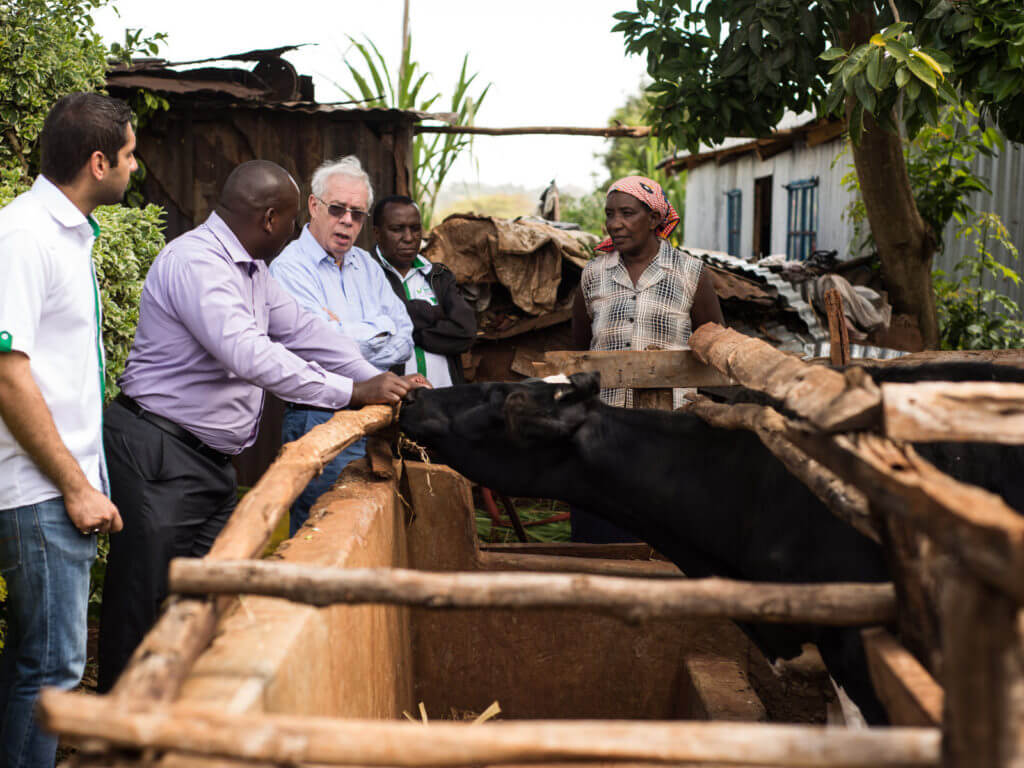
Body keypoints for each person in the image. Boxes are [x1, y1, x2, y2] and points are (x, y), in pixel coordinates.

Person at [97, 160, 426, 692]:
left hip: (206, 461)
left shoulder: (252, 270)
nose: (295, 232)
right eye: (293, 220)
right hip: (159, 451)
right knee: (144, 602)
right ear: (271, 219)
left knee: (208, 603)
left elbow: (304, 331)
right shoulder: (197, 262)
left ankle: (182, 717)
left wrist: (371, 377)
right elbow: (249, 354)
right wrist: (349, 392)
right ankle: (117, 722)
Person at [0, 92, 134, 768]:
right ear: (98, 162)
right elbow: (6, 373)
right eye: (130, 155)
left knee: (40, 662)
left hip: (57, 485)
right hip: (39, 489)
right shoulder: (25, 235)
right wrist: (76, 487)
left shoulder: (67, 232)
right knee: (51, 668)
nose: (135, 167)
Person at [570, 175, 724, 543]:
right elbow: (579, 352)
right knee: (603, 533)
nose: (616, 223)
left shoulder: (689, 273)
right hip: (605, 425)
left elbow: (716, 346)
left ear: (654, 218)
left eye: (627, 213)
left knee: (667, 533)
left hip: (669, 427)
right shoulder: (593, 275)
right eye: (610, 214)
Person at [270, 157, 416, 536]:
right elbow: (317, 348)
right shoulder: (289, 268)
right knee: (320, 531)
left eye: (357, 213)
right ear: (314, 206)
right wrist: (376, 330)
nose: (347, 221)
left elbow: (404, 338)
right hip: (317, 416)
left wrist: (343, 332)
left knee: (364, 528)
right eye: (337, 209)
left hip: (373, 416)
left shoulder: (365, 264)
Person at [372, 195, 477, 387]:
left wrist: (410, 334)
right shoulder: (365, 276)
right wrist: (434, 314)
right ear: (377, 233)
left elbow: (465, 332)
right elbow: (372, 334)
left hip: (445, 394)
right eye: (397, 229)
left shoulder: (438, 276)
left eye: (415, 228)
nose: (409, 238)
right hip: (394, 396)